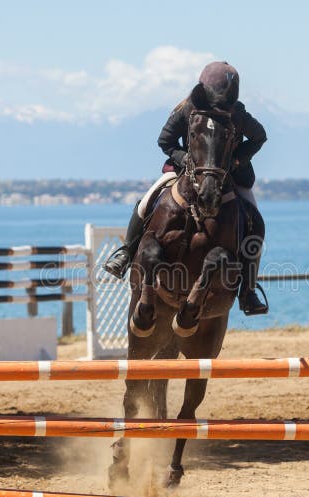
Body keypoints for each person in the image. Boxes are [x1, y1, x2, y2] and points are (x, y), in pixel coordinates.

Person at [103, 61, 268, 316]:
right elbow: (165, 140)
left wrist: (235, 161)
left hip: (229, 176)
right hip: (188, 170)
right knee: (146, 203)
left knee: (255, 221)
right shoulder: (187, 109)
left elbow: (259, 136)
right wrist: (186, 160)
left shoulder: (237, 113)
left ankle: (247, 290)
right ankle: (126, 253)